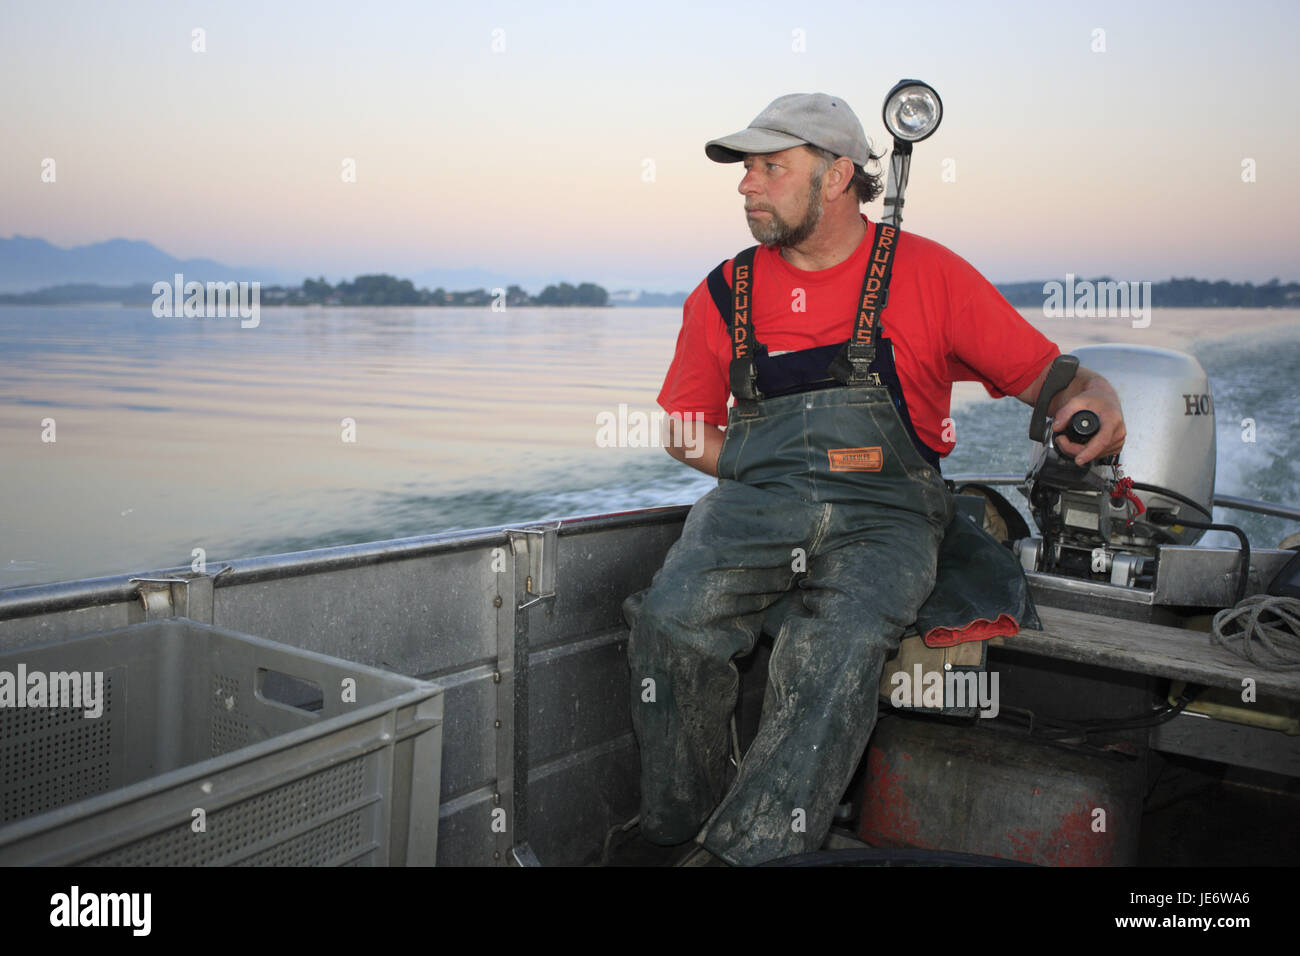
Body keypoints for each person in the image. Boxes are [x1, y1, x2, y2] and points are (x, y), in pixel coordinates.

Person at [621, 92, 1126, 866]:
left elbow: (1054, 379)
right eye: (745, 168)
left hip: (886, 513)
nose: (746, 185)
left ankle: (746, 853)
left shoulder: (931, 275)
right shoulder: (726, 292)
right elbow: (687, 430)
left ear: (836, 177)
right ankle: (679, 825)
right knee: (669, 620)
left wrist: (1097, 396)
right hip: (757, 505)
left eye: (769, 167)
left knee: (838, 644)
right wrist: (762, 465)